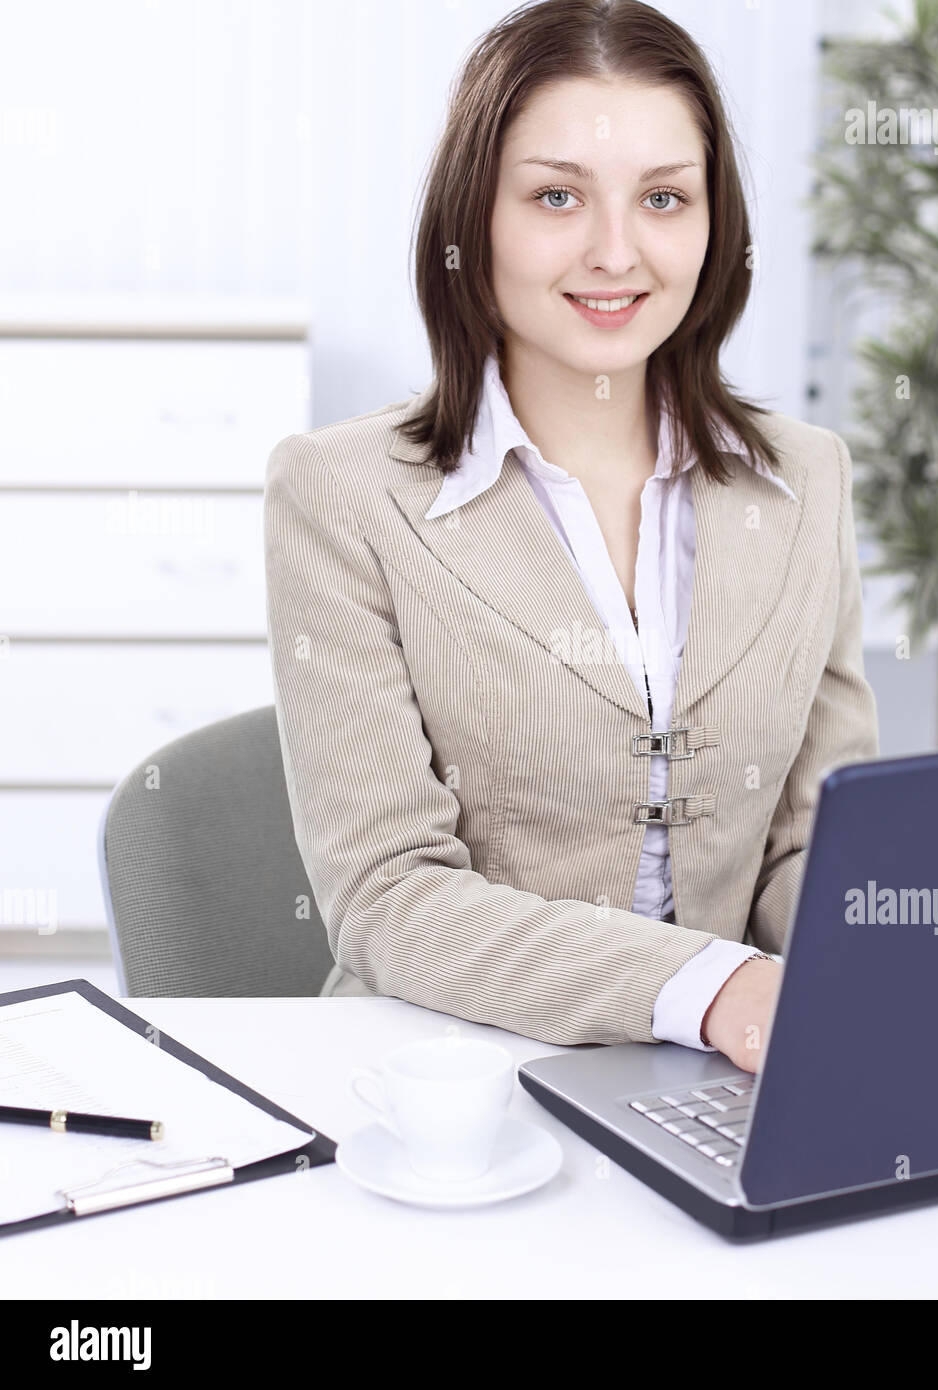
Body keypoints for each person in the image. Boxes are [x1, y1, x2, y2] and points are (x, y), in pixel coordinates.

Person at [264, 0, 879, 1074]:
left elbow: (808, 842)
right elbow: (385, 891)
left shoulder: (805, 478)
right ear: (473, 221)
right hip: (447, 1078)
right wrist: (708, 984)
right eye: (557, 195)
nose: (615, 251)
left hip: (725, 1076)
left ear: (713, 223)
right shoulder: (343, 494)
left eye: (662, 198)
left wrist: (889, 946)